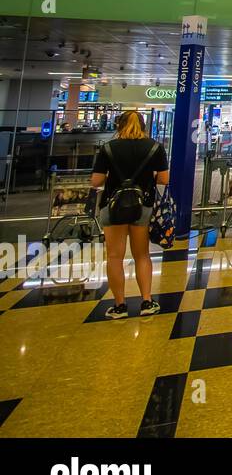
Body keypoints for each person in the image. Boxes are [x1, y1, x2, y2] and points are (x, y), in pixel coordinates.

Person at [90, 110, 169, 319]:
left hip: (112, 205)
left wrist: (116, 179)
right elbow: (164, 179)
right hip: (142, 205)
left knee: (114, 256)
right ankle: (146, 300)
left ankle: (119, 305)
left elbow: (96, 181)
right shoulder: (154, 147)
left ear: (119, 125)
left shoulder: (108, 148)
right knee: (142, 254)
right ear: (143, 126)